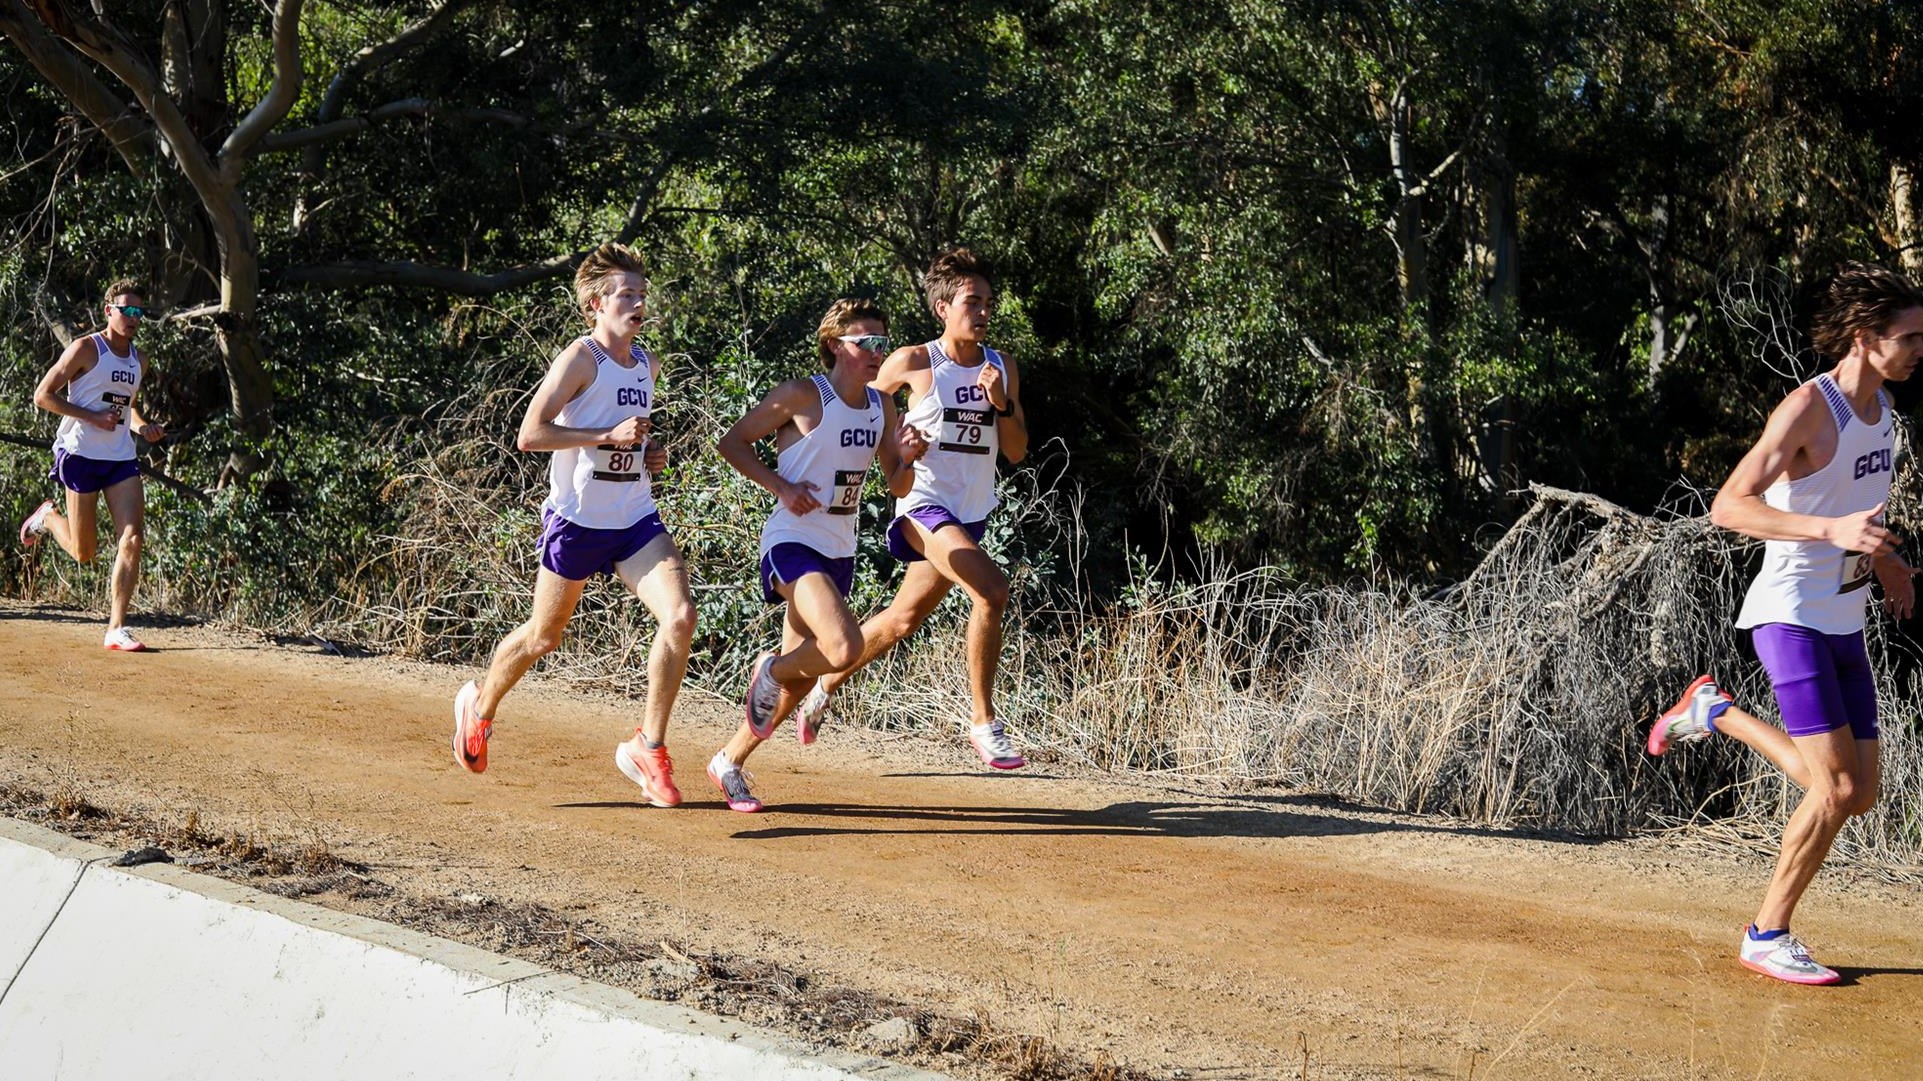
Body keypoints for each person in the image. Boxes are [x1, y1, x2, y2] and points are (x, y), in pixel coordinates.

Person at [1649, 262, 1923, 985]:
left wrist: (1888, 561)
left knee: (1856, 792)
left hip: (1844, 616)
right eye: (1909, 336)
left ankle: (1712, 710)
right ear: (1865, 339)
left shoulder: (1882, 412)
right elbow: (1728, 505)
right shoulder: (1808, 410)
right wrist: (1826, 529)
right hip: (1789, 615)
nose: (1919, 348)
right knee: (1831, 789)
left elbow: (1864, 511)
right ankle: (1766, 932)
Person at [450, 242, 694, 810]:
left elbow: (632, 435)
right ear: (594, 305)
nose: (637, 302)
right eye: (624, 294)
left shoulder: (648, 364)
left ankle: (648, 747)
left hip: (634, 517)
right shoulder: (581, 359)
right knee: (543, 637)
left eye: (640, 293)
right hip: (578, 520)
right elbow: (530, 436)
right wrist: (607, 439)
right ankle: (479, 708)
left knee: (680, 616)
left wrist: (648, 452)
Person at [793, 248, 1030, 770]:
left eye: (989, 302)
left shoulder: (1001, 367)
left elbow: (1016, 450)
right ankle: (984, 722)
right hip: (922, 505)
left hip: (970, 513)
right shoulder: (914, 362)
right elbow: (859, 409)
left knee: (901, 620)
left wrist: (1001, 404)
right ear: (943, 308)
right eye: (973, 301)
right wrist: (886, 453)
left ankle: (822, 687)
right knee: (992, 591)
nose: (985, 311)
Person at [707, 298, 926, 812]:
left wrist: (911, 458)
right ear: (835, 345)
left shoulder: (881, 406)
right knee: (844, 647)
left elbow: (898, 483)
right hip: (791, 539)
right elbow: (733, 443)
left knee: (802, 674)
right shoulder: (804, 395)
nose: (877, 353)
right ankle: (771, 667)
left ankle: (729, 761)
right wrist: (781, 486)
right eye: (864, 342)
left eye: (881, 344)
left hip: (839, 549)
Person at [19, 279, 166, 651]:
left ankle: (116, 628)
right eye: (126, 310)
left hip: (119, 458)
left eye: (138, 312)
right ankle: (48, 518)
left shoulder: (139, 359)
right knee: (84, 552)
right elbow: (43, 396)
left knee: (132, 539)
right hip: (80, 454)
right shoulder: (86, 348)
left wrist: (142, 426)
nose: (133, 318)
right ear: (108, 311)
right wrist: (90, 417)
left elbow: (127, 407)